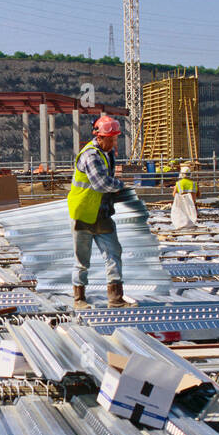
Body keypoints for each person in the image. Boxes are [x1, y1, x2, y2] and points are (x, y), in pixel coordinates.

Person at [68, 114, 140, 308]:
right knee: (82, 260)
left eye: (116, 138)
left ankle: (115, 298)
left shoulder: (107, 153)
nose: (115, 142)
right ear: (100, 137)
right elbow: (101, 184)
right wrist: (122, 186)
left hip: (102, 213)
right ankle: (79, 299)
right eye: (112, 139)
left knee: (114, 253)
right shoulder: (90, 155)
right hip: (83, 215)